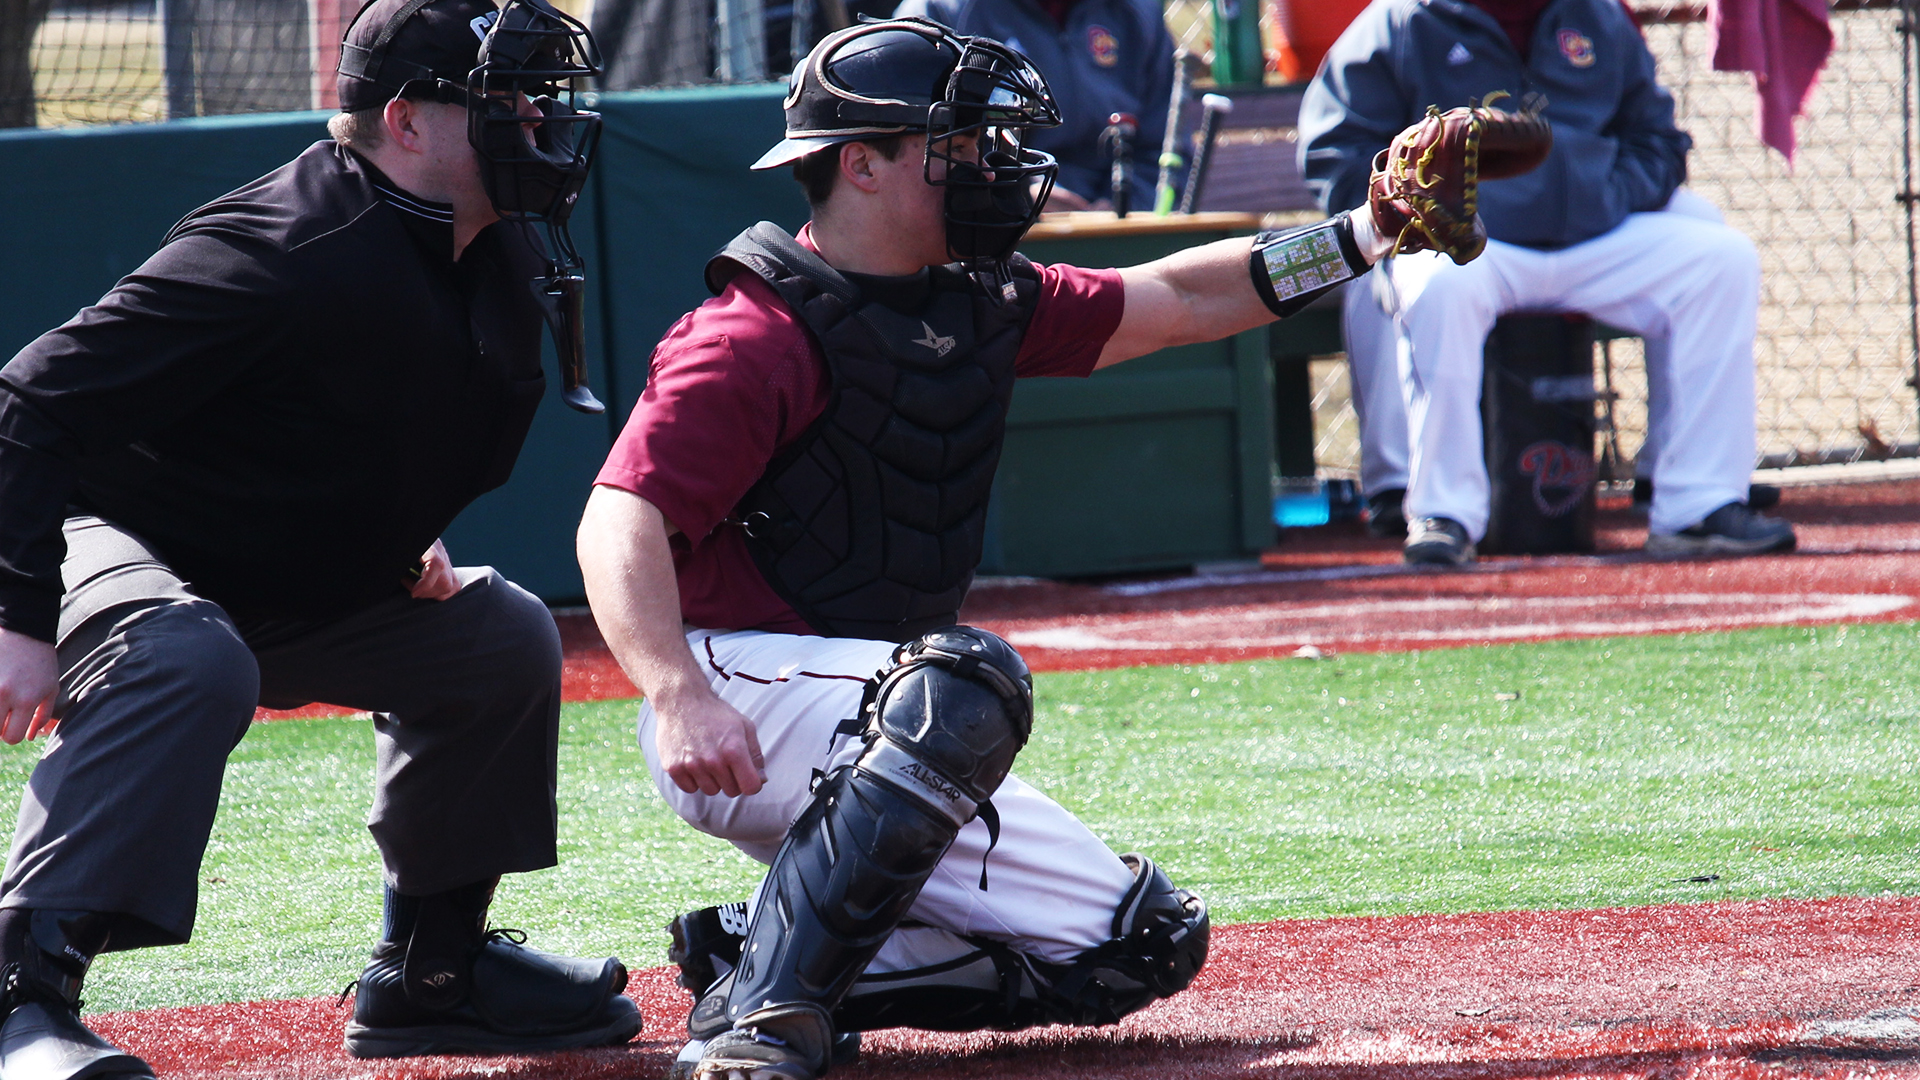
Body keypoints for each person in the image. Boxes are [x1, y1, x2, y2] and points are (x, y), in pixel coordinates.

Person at [574, 17, 1459, 1080]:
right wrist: (676, 694)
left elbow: (1177, 299)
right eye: (961, 148)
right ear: (862, 164)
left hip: (882, 718)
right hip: (742, 692)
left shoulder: (980, 298)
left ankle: (756, 943)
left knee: (1141, 943)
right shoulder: (753, 333)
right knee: (965, 684)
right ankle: (762, 1023)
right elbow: (616, 519)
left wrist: (1365, 233)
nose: (994, 169)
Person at [0, 0, 641, 1074]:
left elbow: (397, 428)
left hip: (264, 571)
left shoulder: (501, 249)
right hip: (102, 539)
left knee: (498, 636)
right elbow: (27, 404)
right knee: (186, 654)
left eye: (538, 96)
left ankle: (435, 975)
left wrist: (400, 537)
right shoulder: (280, 247)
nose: (535, 121)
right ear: (405, 120)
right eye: (502, 99)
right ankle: (21, 995)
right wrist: (19, 613)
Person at [1299, 0, 1796, 564]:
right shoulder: (1402, 23)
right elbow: (1335, 152)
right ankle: (1445, 514)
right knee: (1435, 287)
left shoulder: (1597, 16)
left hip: (1592, 238)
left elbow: (1658, 142)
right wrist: (1415, 212)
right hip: (1472, 246)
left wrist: (1605, 195)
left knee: (1721, 260)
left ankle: (1699, 505)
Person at [893, 0, 1174, 210]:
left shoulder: (1137, 13)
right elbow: (914, 153)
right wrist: (1017, 194)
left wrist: (1118, 209)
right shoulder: (941, 11)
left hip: (1117, 228)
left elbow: (1165, 147)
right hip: (988, 225)